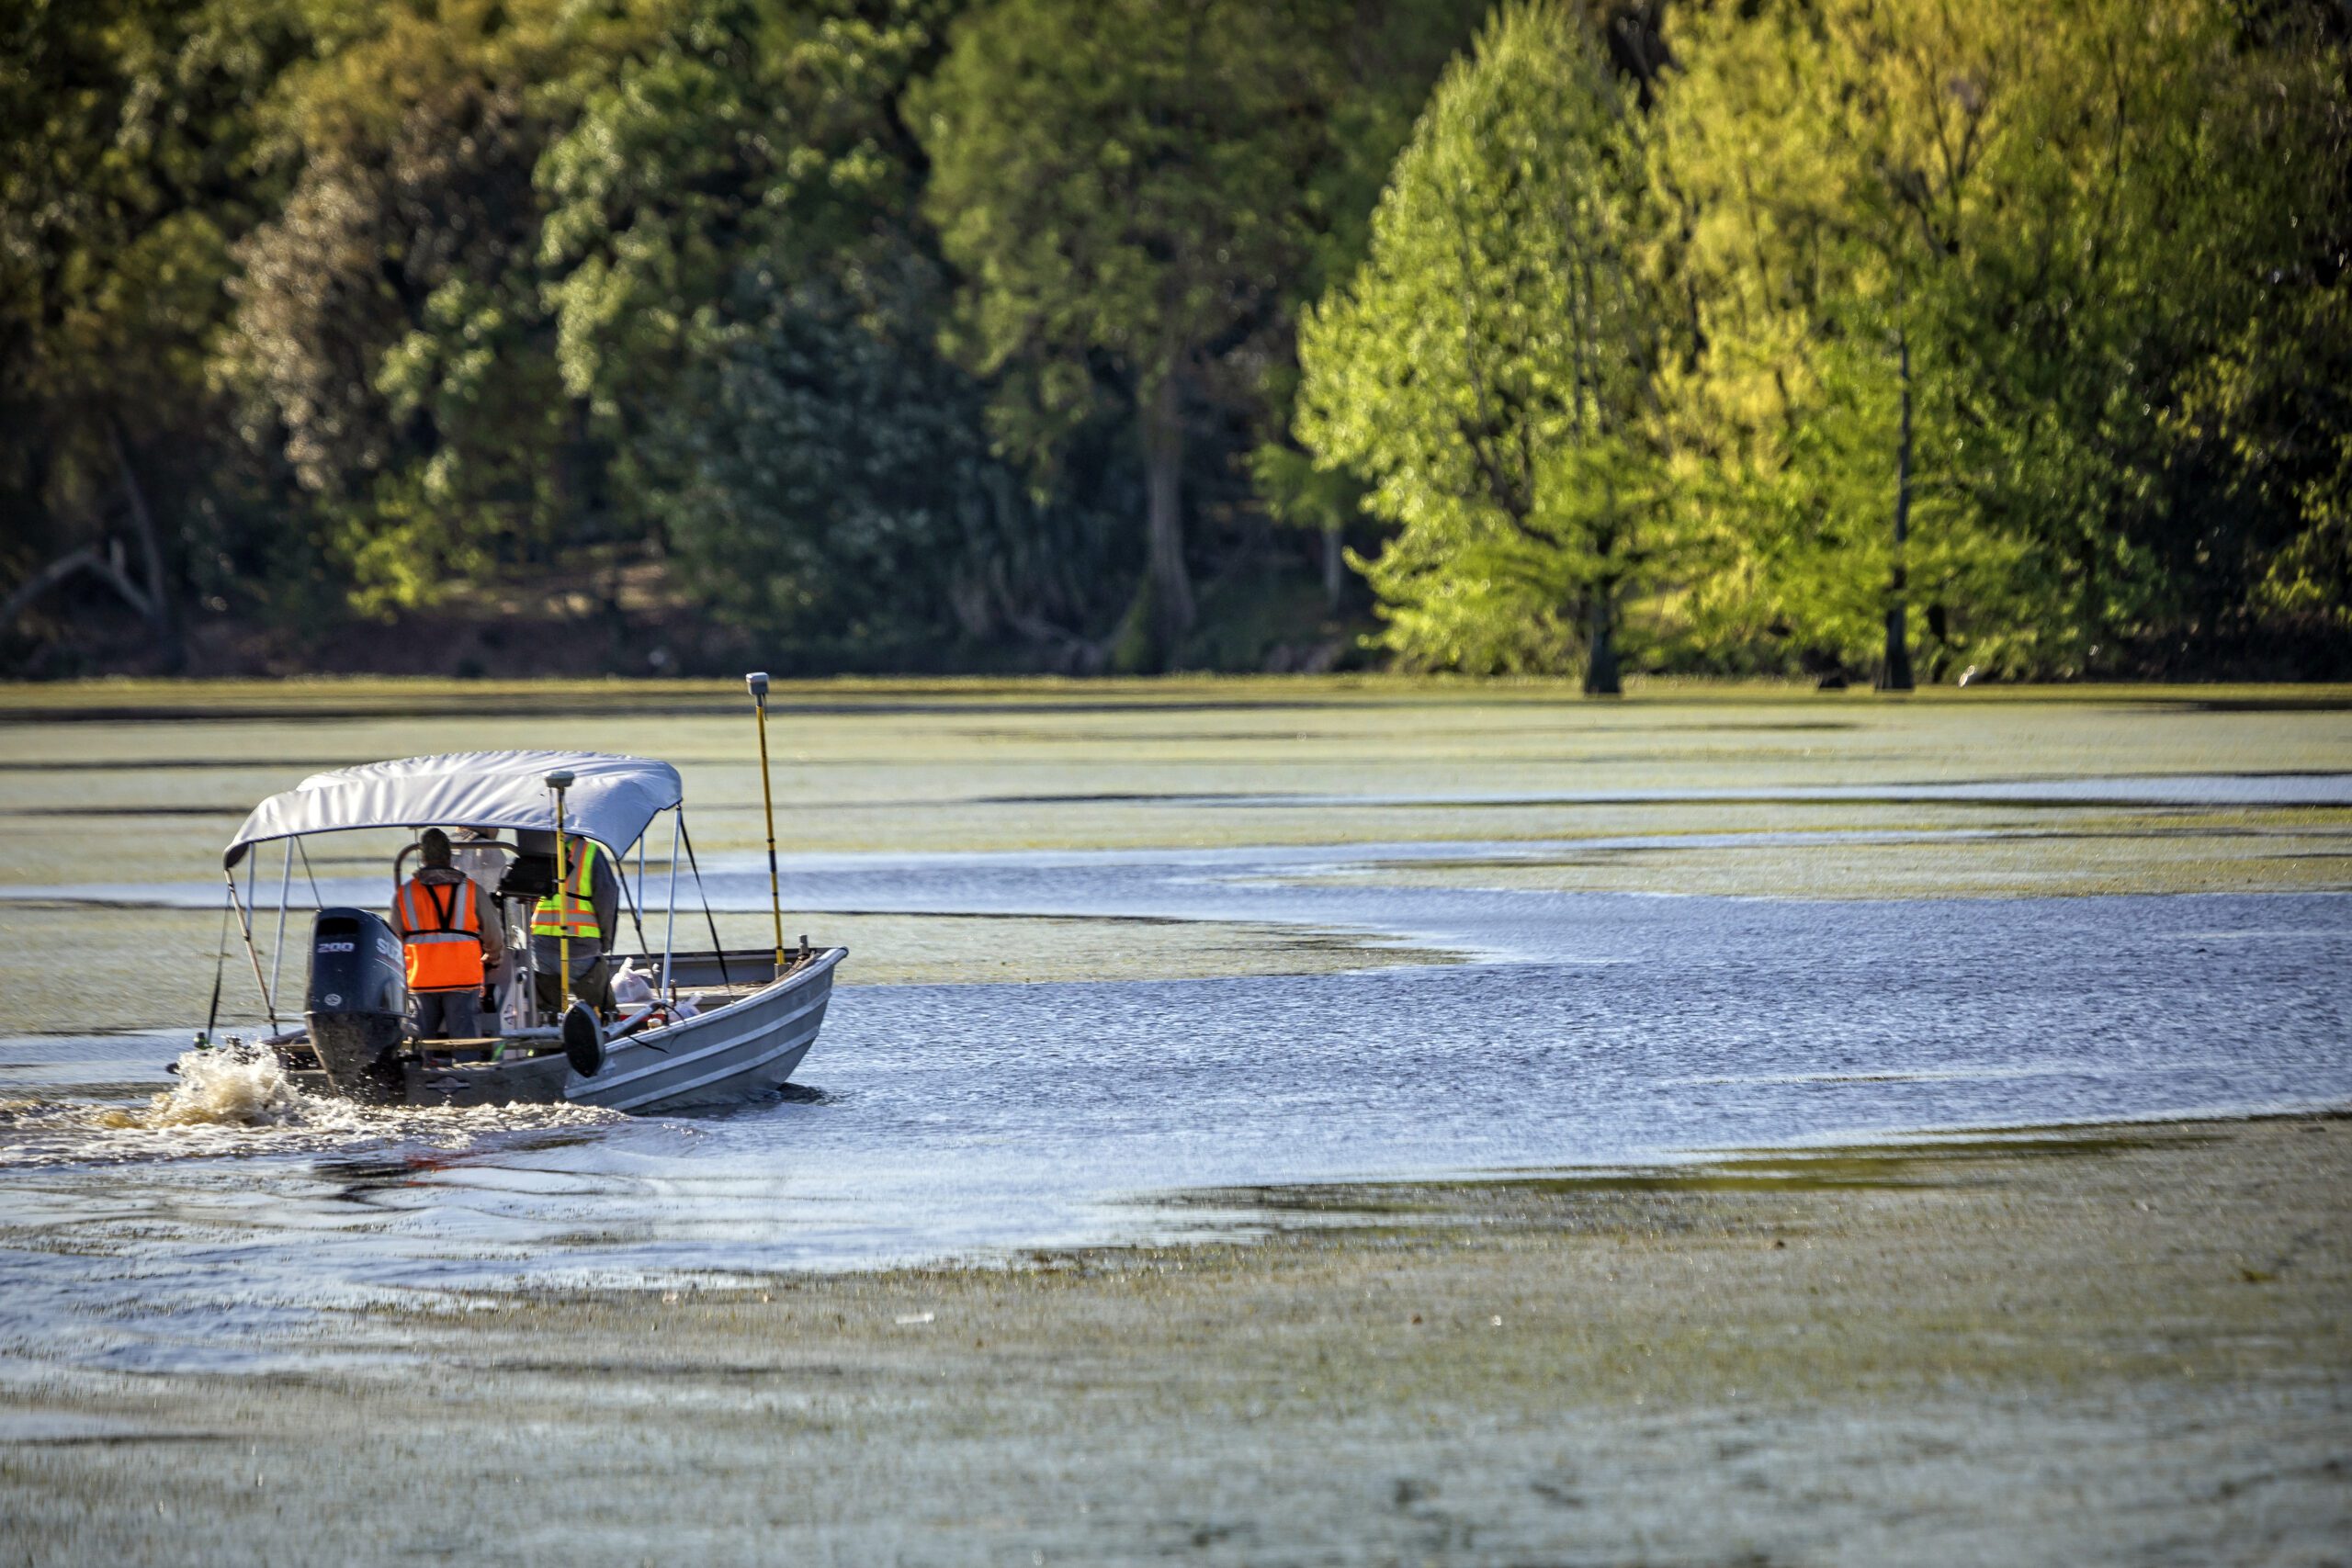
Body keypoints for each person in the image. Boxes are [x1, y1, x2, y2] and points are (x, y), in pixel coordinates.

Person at [391, 828, 505, 1040]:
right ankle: (468, 1071)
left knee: (420, 1045)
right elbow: (493, 934)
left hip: (420, 981)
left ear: (423, 857)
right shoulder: (472, 890)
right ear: (448, 856)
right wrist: (493, 956)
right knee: (465, 1044)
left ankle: (422, 1069)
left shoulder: (404, 893)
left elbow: (393, 940)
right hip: (462, 980)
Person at [531, 832, 620, 1018]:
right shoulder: (589, 852)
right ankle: (606, 1041)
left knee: (549, 1015)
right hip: (579, 944)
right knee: (602, 1012)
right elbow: (606, 898)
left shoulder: (535, 848)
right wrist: (606, 941)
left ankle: (549, 1044)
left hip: (541, 945)